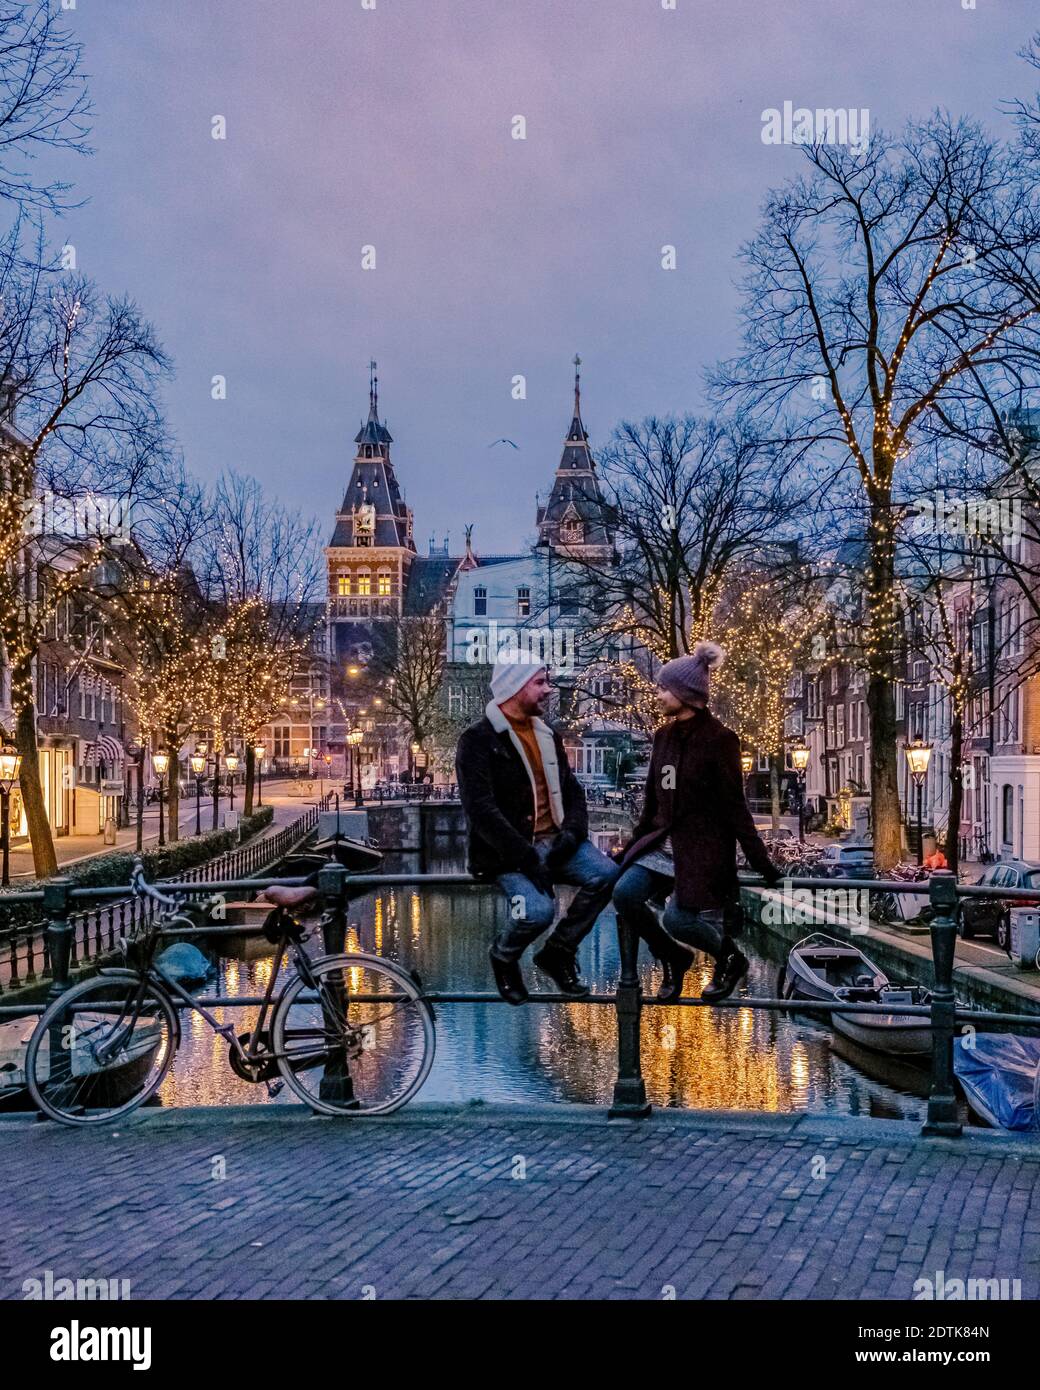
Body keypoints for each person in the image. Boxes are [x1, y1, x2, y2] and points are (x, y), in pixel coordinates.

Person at [612, 641, 781, 1002]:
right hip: (662, 845)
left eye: (663, 689)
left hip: (701, 852)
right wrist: (633, 848)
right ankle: (672, 956)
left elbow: (736, 807)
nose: (658, 696)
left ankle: (730, 959)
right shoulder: (663, 737)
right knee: (624, 893)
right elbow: (653, 801)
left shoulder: (721, 741)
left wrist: (762, 863)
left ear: (685, 694)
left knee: (677, 920)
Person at [456, 654, 620, 1004]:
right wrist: (527, 858)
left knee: (609, 875)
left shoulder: (547, 735)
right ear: (515, 686)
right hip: (509, 853)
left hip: (555, 842)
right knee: (536, 912)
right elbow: (480, 809)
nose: (548, 690)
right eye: (540, 682)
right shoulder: (477, 740)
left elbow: (571, 789)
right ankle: (504, 955)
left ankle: (558, 951)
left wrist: (573, 834)